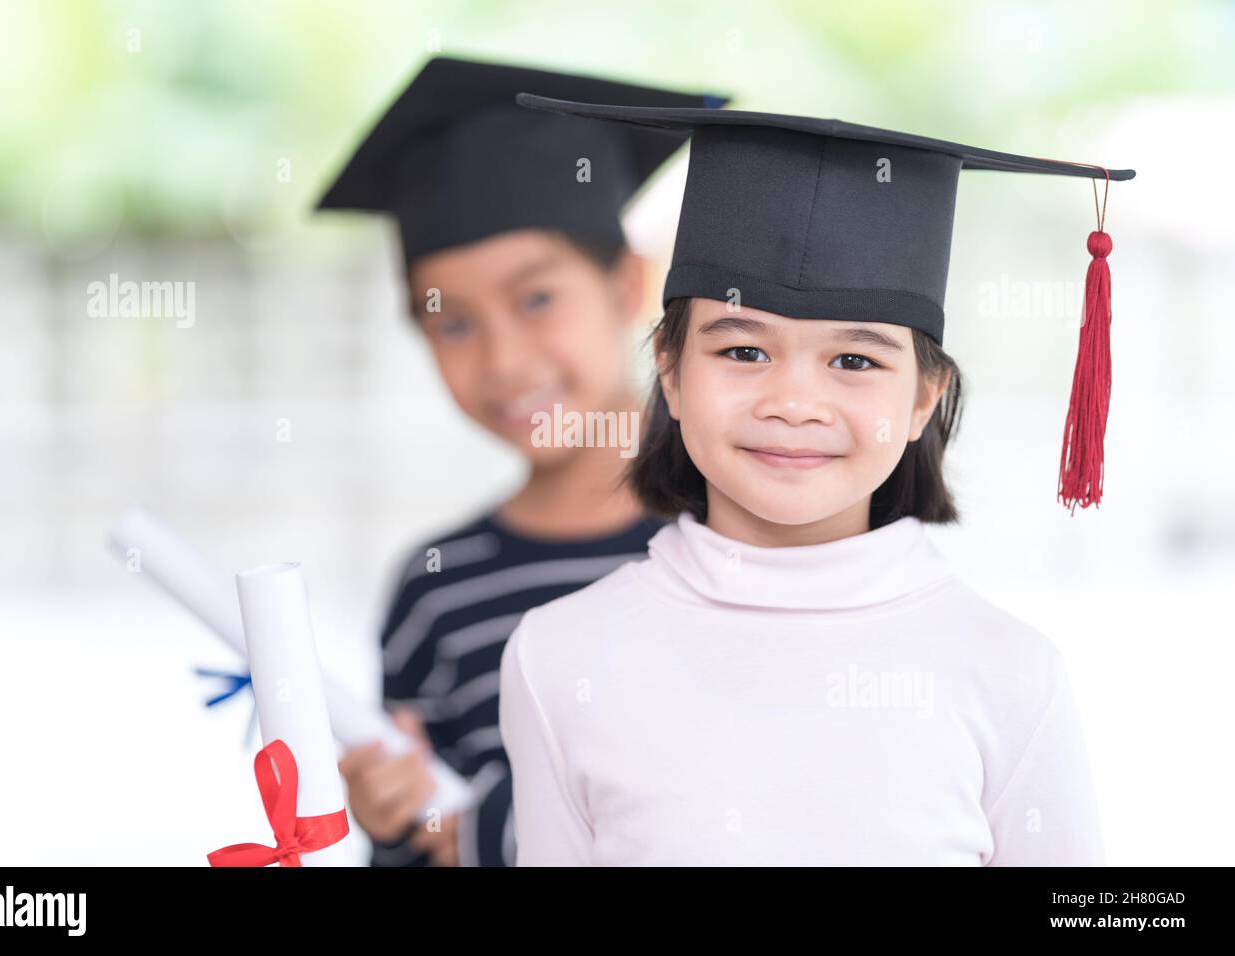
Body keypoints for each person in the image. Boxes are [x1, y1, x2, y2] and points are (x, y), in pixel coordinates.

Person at [499, 95, 1133, 864]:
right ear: (668, 371)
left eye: (855, 361)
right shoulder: (561, 656)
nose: (794, 404)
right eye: (742, 352)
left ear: (923, 399)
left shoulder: (1011, 673)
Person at [314, 57, 726, 866]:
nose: (503, 360)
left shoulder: (750, 534)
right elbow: (422, 844)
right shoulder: (437, 587)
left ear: (625, 286)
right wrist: (398, 822)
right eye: (452, 322)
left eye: (536, 299)